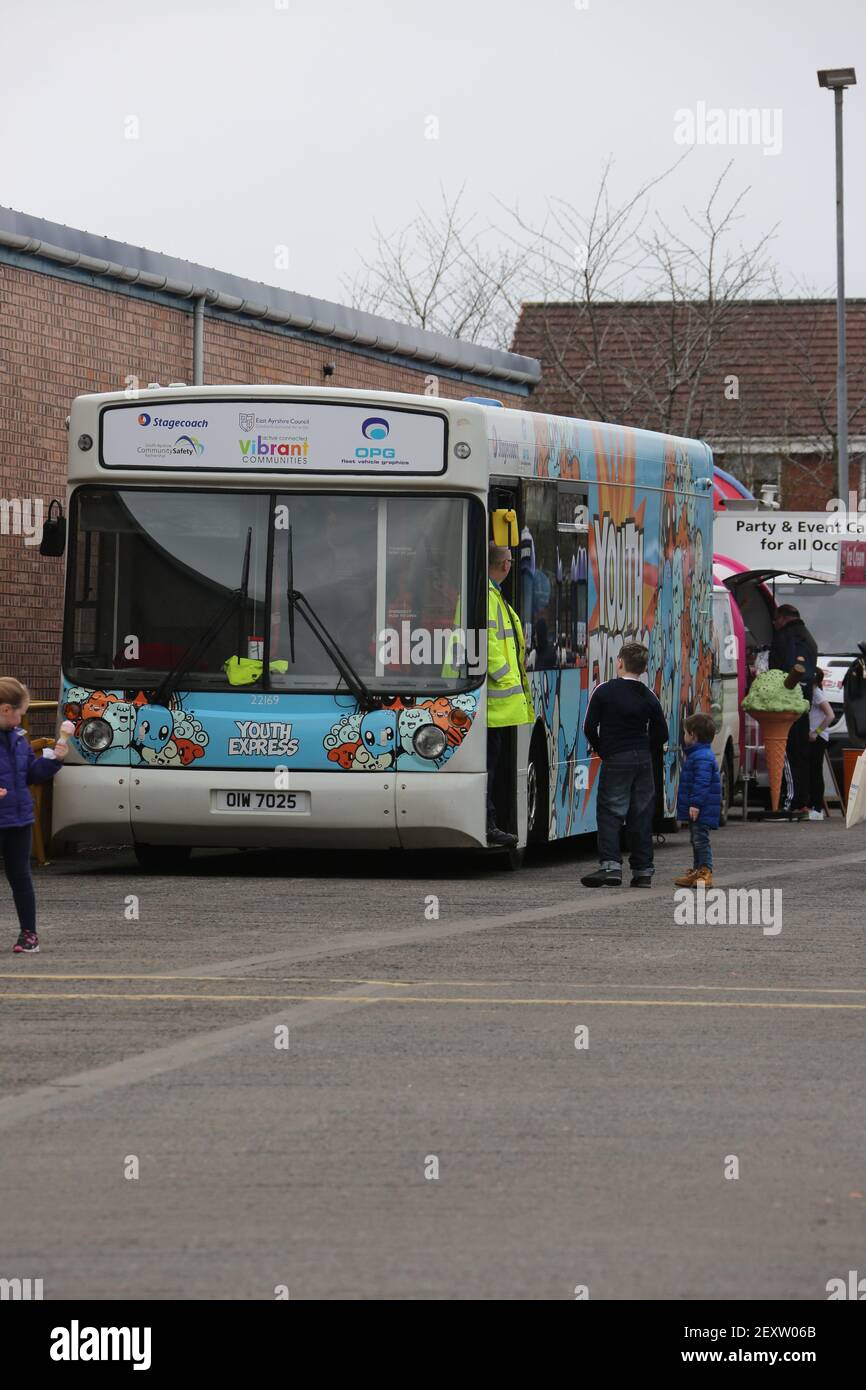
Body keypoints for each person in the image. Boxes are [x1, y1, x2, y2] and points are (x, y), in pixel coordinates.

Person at [581, 642, 669, 888]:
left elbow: (589, 727)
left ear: (619, 662)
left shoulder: (603, 691)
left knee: (610, 811)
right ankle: (642, 871)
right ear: (642, 667)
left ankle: (610, 866)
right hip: (641, 758)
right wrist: (645, 749)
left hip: (615, 756)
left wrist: (604, 749)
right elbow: (662, 732)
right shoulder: (648, 695)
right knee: (641, 814)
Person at [0, 678, 68, 953]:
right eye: (20, 713)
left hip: (18, 818)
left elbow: (30, 773)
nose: (22, 718)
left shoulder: (18, 737)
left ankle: (29, 934)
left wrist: (54, 760)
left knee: (21, 877)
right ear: (6, 709)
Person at [486, 544, 534, 847]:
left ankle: (490, 821)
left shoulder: (491, 595)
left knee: (492, 763)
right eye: (510, 562)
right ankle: (488, 823)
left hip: (494, 704)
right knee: (489, 766)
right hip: (493, 703)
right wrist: (507, 679)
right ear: (504, 565)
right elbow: (489, 646)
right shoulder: (488, 598)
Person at [768, 603, 817, 815]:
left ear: (784, 618)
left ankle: (789, 801)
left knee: (788, 752)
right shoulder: (809, 637)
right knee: (801, 754)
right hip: (803, 704)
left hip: (786, 703)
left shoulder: (787, 636)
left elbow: (787, 668)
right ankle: (802, 800)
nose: (775, 625)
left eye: (776, 620)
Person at [674, 713, 722, 888]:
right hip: (702, 807)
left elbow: (701, 783)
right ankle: (697, 871)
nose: (684, 737)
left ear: (693, 735)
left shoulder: (701, 757)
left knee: (701, 840)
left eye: (685, 733)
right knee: (696, 839)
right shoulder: (699, 754)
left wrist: (695, 804)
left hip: (702, 807)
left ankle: (705, 871)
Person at [807, 667, 834, 820]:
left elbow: (830, 715)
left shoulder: (816, 693)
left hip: (818, 738)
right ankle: (811, 805)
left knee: (815, 771)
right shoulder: (811, 692)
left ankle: (817, 808)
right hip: (811, 737)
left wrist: (815, 732)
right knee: (810, 771)